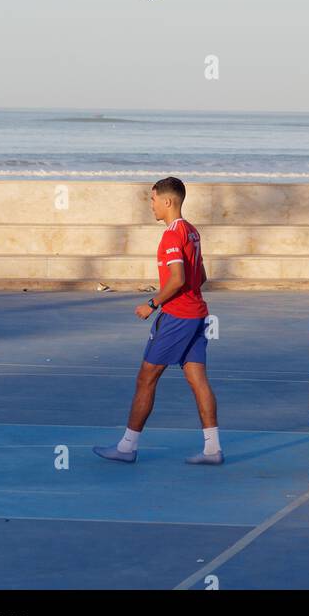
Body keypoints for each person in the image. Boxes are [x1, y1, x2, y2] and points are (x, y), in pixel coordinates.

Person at [94, 177, 222, 466]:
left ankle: (127, 447)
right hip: (197, 314)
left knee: (146, 379)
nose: (150, 205)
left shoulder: (171, 236)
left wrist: (151, 304)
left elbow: (177, 279)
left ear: (167, 201)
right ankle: (212, 449)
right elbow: (200, 278)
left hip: (177, 317)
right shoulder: (191, 231)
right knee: (198, 381)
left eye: (152, 199)